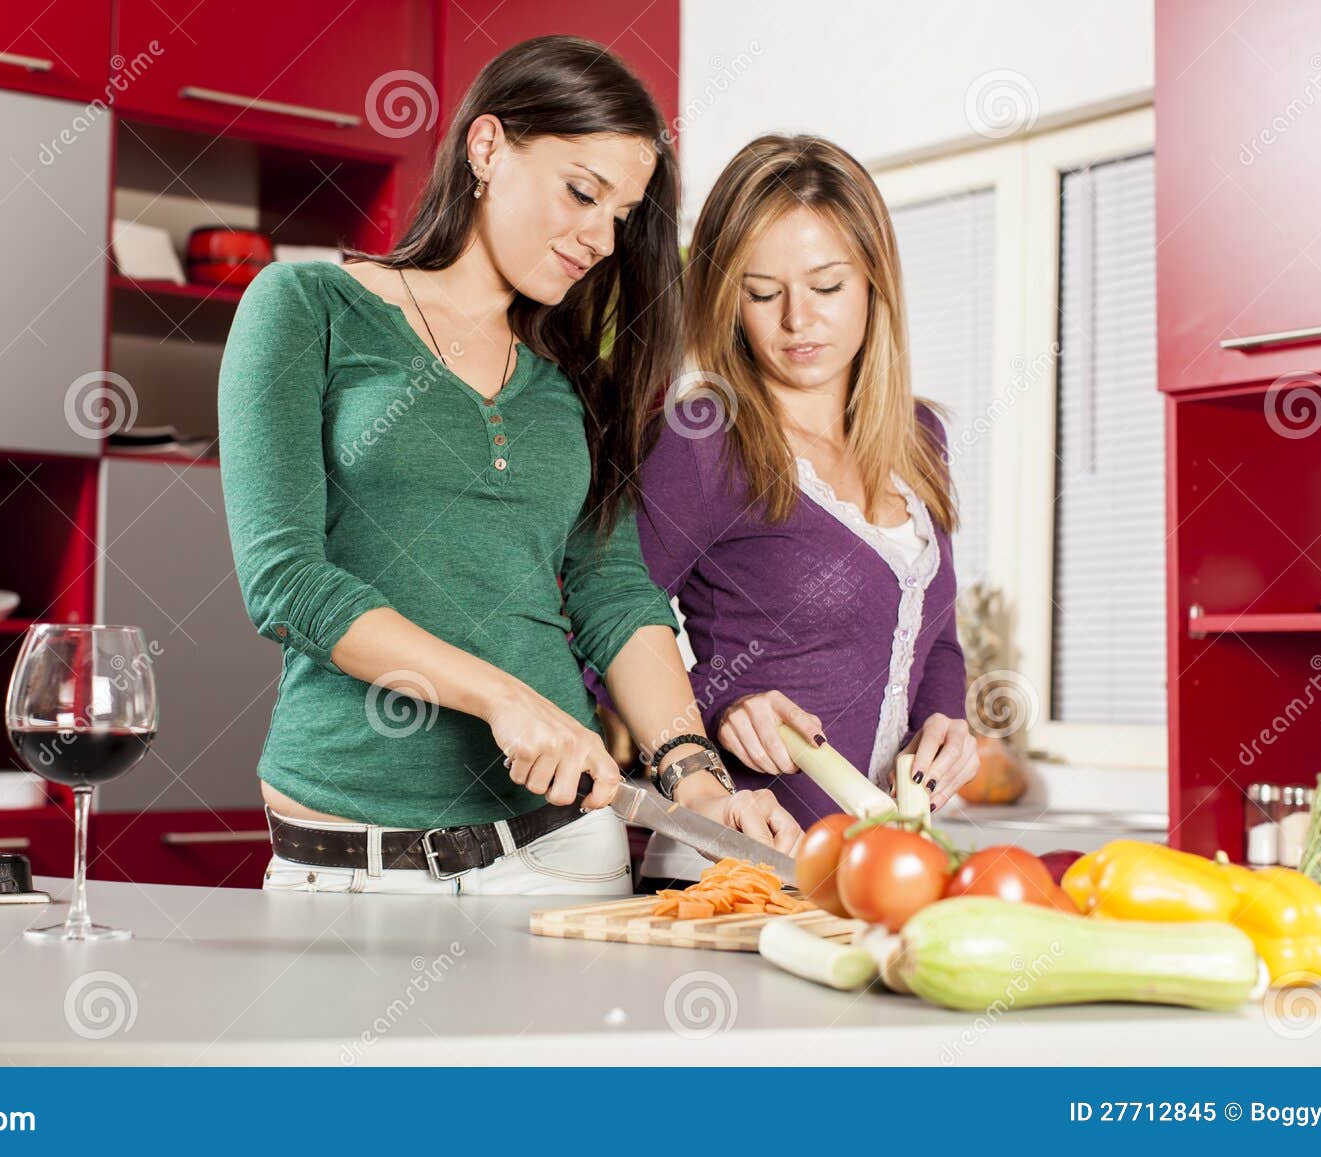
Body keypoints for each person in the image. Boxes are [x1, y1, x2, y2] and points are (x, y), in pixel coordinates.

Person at [217, 38, 801, 897]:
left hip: (567, 850)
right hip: (356, 864)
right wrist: (500, 696)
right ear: (487, 147)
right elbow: (285, 579)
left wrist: (695, 775)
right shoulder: (307, 307)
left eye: (621, 215)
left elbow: (613, 591)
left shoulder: (576, 378)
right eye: (582, 193)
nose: (600, 238)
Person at [614, 134, 978, 888]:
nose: (796, 321)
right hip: (734, 869)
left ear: (874, 279)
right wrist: (721, 702)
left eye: (827, 285)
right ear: (728, 301)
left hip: (880, 876)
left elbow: (936, 639)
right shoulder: (701, 442)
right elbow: (600, 636)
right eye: (761, 292)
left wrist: (949, 721)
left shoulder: (919, 438)